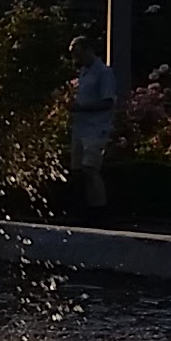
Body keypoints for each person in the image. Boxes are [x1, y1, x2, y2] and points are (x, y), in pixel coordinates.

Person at [68, 37, 122, 211]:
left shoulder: (104, 72)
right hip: (80, 127)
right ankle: (84, 208)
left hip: (96, 128)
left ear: (88, 50)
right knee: (78, 170)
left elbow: (107, 102)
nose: (77, 59)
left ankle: (100, 209)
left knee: (90, 169)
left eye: (78, 54)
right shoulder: (84, 72)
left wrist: (81, 108)